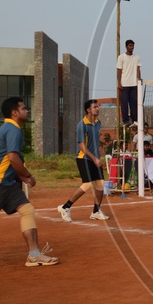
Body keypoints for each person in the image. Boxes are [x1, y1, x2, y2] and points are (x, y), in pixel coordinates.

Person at [1, 97, 59, 267]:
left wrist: (20, 176)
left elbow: (8, 160)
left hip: (8, 183)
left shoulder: (7, 128)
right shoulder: (13, 129)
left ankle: (34, 254)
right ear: (14, 112)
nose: (27, 111)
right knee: (27, 210)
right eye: (24, 108)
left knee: (27, 210)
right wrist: (28, 175)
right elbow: (12, 158)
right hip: (2, 183)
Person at [58, 99, 110, 222]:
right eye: (95, 107)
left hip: (95, 158)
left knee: (100, 184)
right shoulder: (82, 125)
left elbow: (95, 143)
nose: (98, 109)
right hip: (84, 158)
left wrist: (99, 156)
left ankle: (96, 211)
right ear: (88, 110)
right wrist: (94, 158)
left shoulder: (98, 123)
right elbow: (82, 146)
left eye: (98, 107)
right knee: (87, 184)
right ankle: (65, 207)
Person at [116, 39, 141, 126]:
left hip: (134, 84)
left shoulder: (137, 57)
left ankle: (135, 119)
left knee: (134, 103)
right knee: (124, 103)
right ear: (126, 46)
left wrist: (139, 79)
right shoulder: (121, 57)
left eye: (133, 46)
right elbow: (119, 71)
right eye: (130, 46)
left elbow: (138, 69)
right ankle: (125, 120)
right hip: (124, 84)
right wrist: (119, 83)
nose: (132, 47)